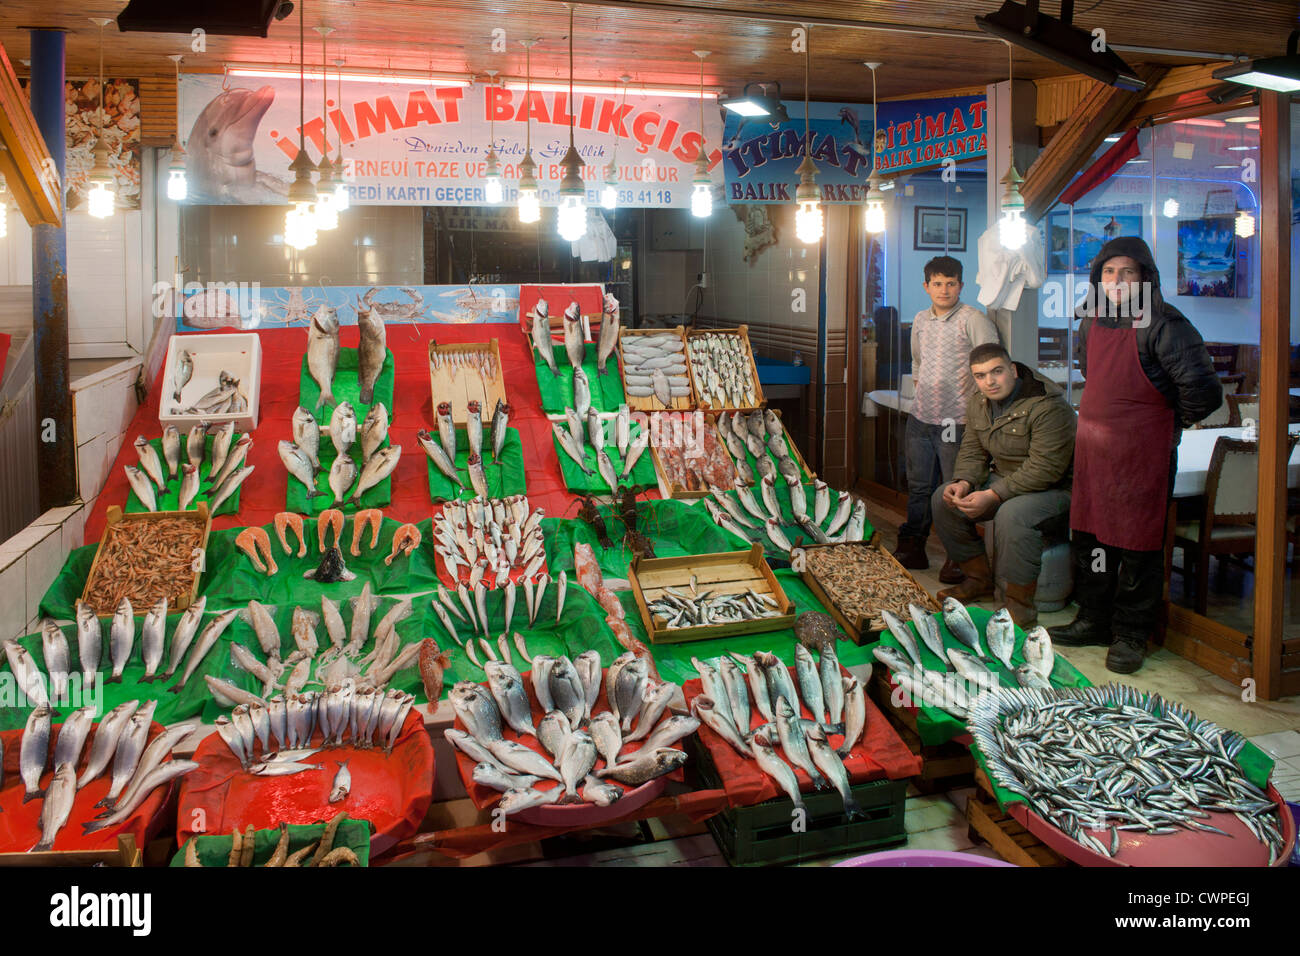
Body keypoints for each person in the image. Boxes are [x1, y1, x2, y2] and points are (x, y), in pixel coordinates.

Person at [1049, 236, 1222, 674]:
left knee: (1138, 546)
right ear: (1098, 278)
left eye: (1127, 272)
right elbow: (1092, 372)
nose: (1117, 280)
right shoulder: (1091, 320)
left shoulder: (1167, 324)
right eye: (1109, 272)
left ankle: (1130, 633)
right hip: (1094, 450)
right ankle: (1094, 619)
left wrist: (1157, 422)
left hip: (1143, 452)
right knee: (1091, 537)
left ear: (1145, 276)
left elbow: (1203, 394)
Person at [931, 343, 1076, 627]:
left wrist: (994, 494)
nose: (989, 381)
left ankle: (1018, 606)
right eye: (980, 375)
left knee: (1013, 514)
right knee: (943, 498)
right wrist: (964, 481)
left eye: (996, 372)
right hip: (1005, 481)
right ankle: (978, 580)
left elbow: (1045, 469)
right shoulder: (979, 402)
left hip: (1054, 489)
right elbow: (973, 451)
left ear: (1012, 370)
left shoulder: (1048, 405)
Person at [893, 256, 1001, 582]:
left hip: (956, 421)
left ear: (961, 286)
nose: (944, 290)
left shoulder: (973, 319)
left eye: (951, 283)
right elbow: (917, 361)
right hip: (921, 418)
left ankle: (959, 559)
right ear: (926, 287)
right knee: (919, 486)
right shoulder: (921, 319)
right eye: (937, 283)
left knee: (955, 489)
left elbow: (992, 363)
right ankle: (913, 547)